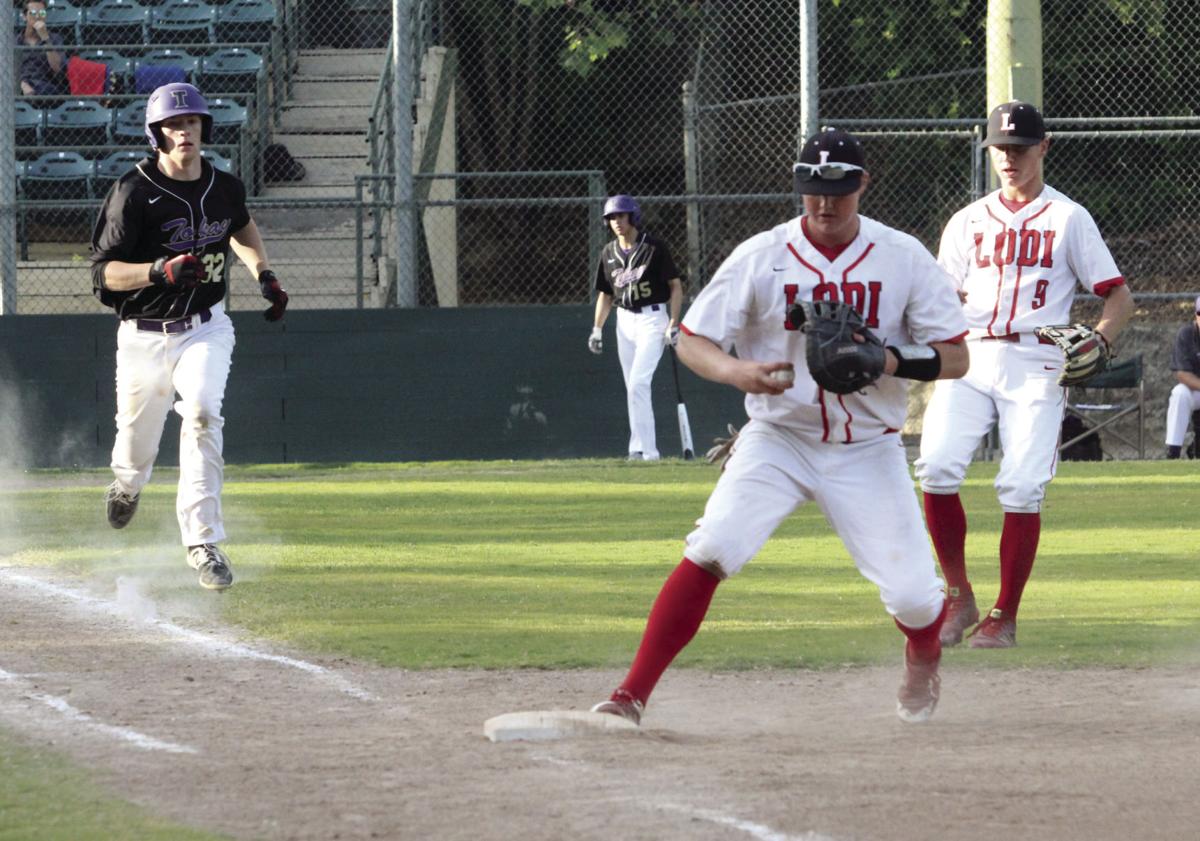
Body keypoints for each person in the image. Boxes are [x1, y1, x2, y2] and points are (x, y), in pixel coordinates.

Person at [590, 128, 970, 726]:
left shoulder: (901, 256)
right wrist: (738, 371)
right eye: (812, 189)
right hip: (779, 437)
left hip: (867, 447)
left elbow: (956, 356)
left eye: (839, 190)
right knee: (712, 546)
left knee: (915, 599)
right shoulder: (762, 254)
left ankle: (922, 656)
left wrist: (889, 360)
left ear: (864, 185)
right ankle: (630, 696)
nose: (823, 203)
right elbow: (692, 342)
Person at [916, 101, 1135, 648]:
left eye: (1019, 148)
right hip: (969, 355)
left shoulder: (1069, 218)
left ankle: (1003, 615)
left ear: (1044, 147)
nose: (1009, 159)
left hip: (1037, 359)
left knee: (1020, 484)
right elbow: (941, 297)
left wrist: (1100, 339)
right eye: (1000, 149)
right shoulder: (966, 221)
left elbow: (1119, 297)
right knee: (936, 467)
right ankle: (958, 595)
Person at [90, 82, 290, 591]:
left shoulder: (223, 186)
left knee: (202, 412)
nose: (185, 131)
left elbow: (240, 227)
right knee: (136, 448)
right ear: (156, 134)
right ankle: (128, 486)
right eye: (174, 125)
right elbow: (104, 275)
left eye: (193, 123)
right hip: (142, 334)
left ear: (205, 129)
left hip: (206, 326)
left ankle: (203, 544)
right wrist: (158, 271)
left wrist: (263, 274)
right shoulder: (132, 192)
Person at [588, 194, 684, 461]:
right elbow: (606, 295)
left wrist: (674, 323)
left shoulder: (654, 247)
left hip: (653, 318)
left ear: (633, 216)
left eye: (620, 215)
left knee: (639, 383)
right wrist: (597, 329)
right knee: (632, 385)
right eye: (611, 218)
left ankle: (648, 452)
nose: (616, 222)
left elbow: (675, 286)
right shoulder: (608, 252)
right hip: (624, 320)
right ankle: (636, 449)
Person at [1165, 296, 1200, 459]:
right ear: (1195, 315)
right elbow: (1183, 375)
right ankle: (1173, 452)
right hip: (1197, 391)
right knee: (1180, 393)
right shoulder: (1187, 334)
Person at [16, 0, 67, 97]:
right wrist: (22, 84)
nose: (38, 16)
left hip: (45, 88)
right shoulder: (14, 41)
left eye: (42, 13)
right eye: (33, 13)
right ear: (24, 16)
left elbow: (57, 68)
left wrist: (45, 38)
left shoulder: (54, 39)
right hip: (18, 87)